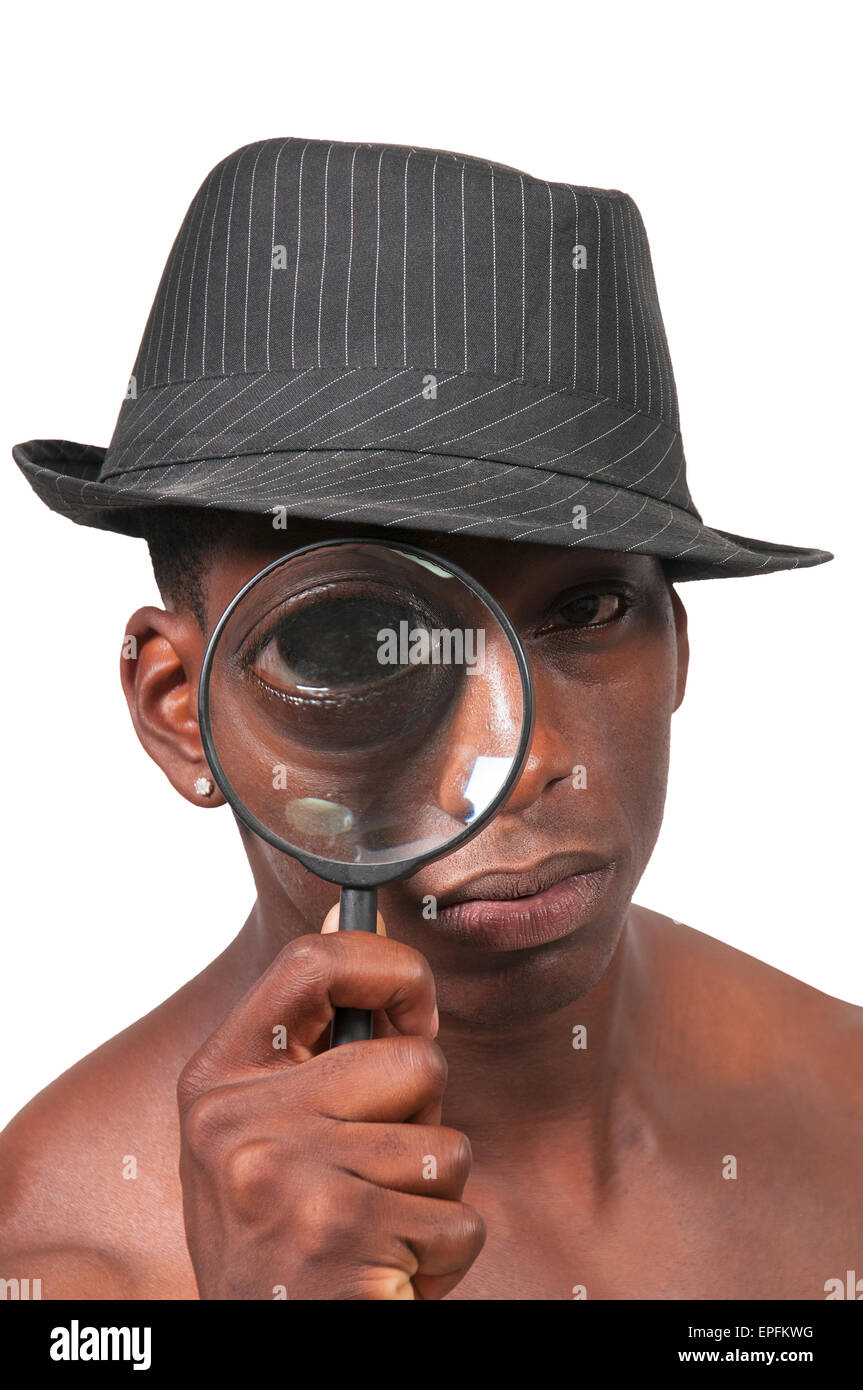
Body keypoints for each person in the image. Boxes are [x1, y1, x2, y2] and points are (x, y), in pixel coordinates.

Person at [2, 138, 858, 1301]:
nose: (522, 764)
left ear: (677, 648)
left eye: (587, 607)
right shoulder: (69, 1280)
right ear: (176, 709)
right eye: (350, 641)